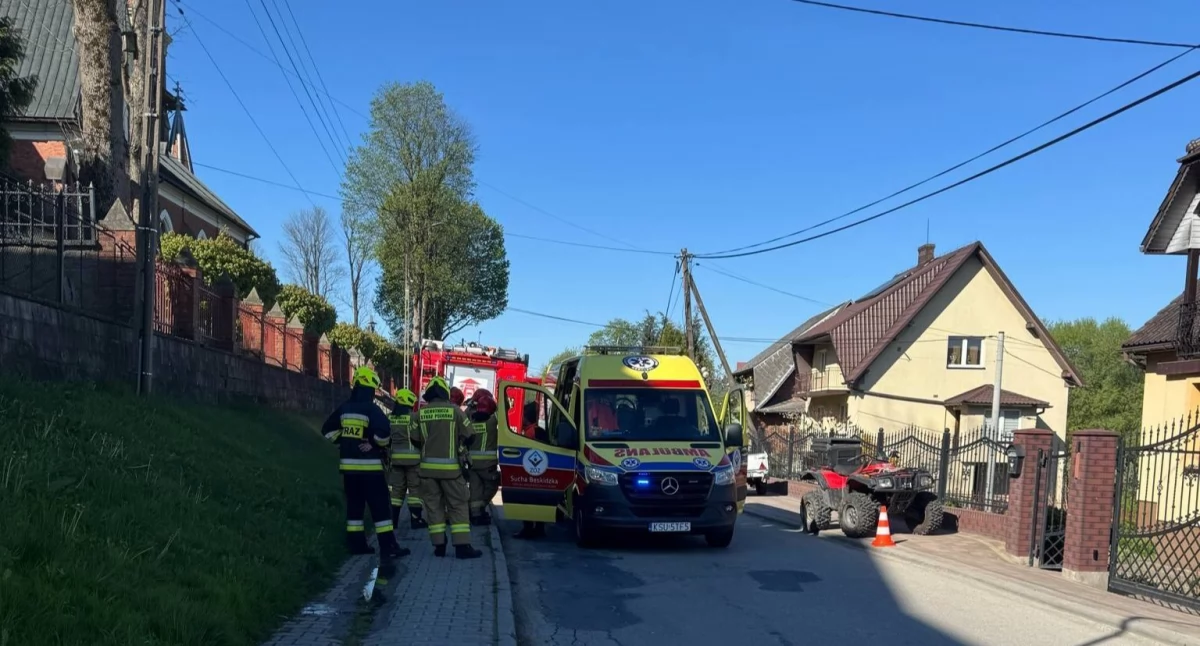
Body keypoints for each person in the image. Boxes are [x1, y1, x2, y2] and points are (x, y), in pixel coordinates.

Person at [321, 366, 410, 574]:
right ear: (370, 389)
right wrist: (373, 443)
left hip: (349, 471)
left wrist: (344, 441)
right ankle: (388, 548)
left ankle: (357, 545)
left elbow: (327, 430)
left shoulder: (344, 408)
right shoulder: (372, 410)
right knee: (381, 509)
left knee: (355, 508)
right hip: (370, 470)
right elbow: (384, 434)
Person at [414, 377, 483, 559]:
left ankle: (439, 546)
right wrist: (459, 446)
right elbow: (471, 436)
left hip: (427, 472)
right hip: (451, 472)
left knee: (433, 508)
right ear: (445, 393)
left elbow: (414, 440)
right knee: (458, 506)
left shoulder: (420, 414)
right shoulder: (455, 412)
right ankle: (462, 547)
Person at [387, 388, 426, 530]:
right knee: (415, 490)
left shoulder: (390, 418)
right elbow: (421, 437)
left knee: (396, 491)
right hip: (413, 461)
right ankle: (416, 520)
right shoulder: (413, 418)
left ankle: (393, 521)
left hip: (396, 460)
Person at [465, 389, 501, 526]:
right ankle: (480, 508)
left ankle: (475, 515)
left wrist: (472, 404)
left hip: (472, 464)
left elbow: (466, 414)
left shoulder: (471, 421)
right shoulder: (491, 422)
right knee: (492, 486)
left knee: (475, 490)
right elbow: (502, 410)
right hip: (487, 465)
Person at [514, 401, 548, 540]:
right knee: (539, 499)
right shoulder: (538, 430)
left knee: (527, 499)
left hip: (531, 471)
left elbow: (527, 452)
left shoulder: (530, 432)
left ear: (526, 417)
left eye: (523, 416)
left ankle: (528, 529)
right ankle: (539, 528)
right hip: (540, 471)